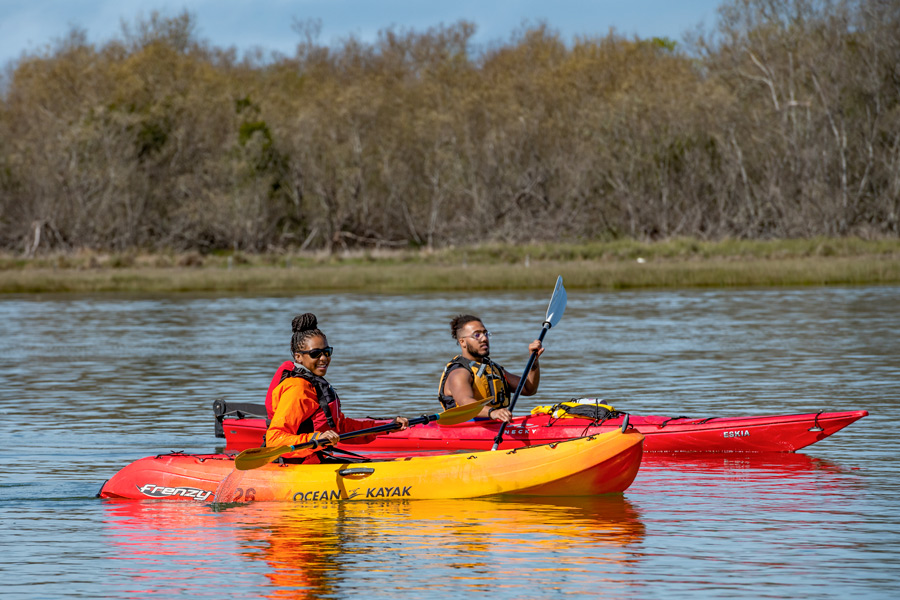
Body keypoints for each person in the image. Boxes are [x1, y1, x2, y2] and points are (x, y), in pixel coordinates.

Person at [266, 313, 409, 462]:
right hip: (298, 466)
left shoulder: (314, 384)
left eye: (327, 352)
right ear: (298, 357)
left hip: (315, 459)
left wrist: (385, 427)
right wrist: (318, 438)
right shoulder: (297, 388)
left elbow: (341, 427)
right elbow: (275, 440)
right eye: (315, 354)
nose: (323, 358)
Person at [438, 314, 544, 423]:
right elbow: (466, 403)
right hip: (464, 430)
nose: (484, 338)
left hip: (495, 426)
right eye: (477, 335)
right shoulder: (459, 373)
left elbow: (528, 389)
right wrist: (493, 412)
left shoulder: (493, 369)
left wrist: (534, 362)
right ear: (462, 342)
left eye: (485, 333)